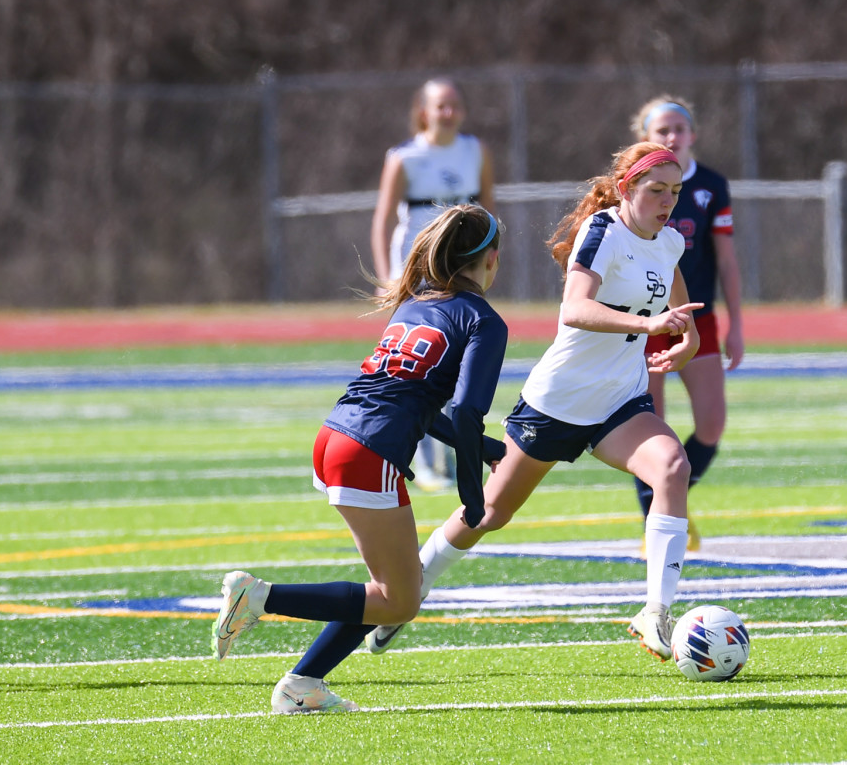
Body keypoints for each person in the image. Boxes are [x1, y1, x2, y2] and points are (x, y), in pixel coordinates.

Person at [365, 142, 702, 662]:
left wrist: (689, 339)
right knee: (487, 513)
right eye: (656, 190)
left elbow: (678, 301)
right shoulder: (602, 232)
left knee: (672, 468)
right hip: (557, 403)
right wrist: (647, 324)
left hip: (621, 402)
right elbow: (575, 308)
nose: (667, 202)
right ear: (626, 189)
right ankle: (407, 597)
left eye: (675, 192)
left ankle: (655, 612)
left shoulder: (668, 241)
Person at [212, 204, 507, 714]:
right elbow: (462, 413)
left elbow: (416, 401)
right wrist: (473, 497)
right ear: (492, 259)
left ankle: (302, 685)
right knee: (401, 600)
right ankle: (259, 597)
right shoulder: (483, 320)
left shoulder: (416, 303)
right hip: (370, 449)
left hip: (334, 437)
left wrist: (485, 451)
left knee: (389, 591)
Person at [629, 96, 745, 551]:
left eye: (679, 128)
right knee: (650, 425)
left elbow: (728, 260)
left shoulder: (711, 185)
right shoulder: (634, 183)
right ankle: (653, 522)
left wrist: (736, 323)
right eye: (662, 131)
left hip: (699, 318)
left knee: (712, 425)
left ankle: (668, 495)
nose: (672, 137)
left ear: (693, 133)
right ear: (645, 137)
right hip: (648, 320)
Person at [370, 77, 497, 490]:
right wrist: (387, 275)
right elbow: (385, 217)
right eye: (440, 105)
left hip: (461, 263)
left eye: (454, 104)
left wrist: (490, 258)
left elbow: (488, 210)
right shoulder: (404, 157)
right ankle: (422, 461)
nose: (448, 112)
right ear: (423, 111)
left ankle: (460, 449)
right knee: (419, 360)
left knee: (460, 357)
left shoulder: (475, 150)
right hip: (417, 265)